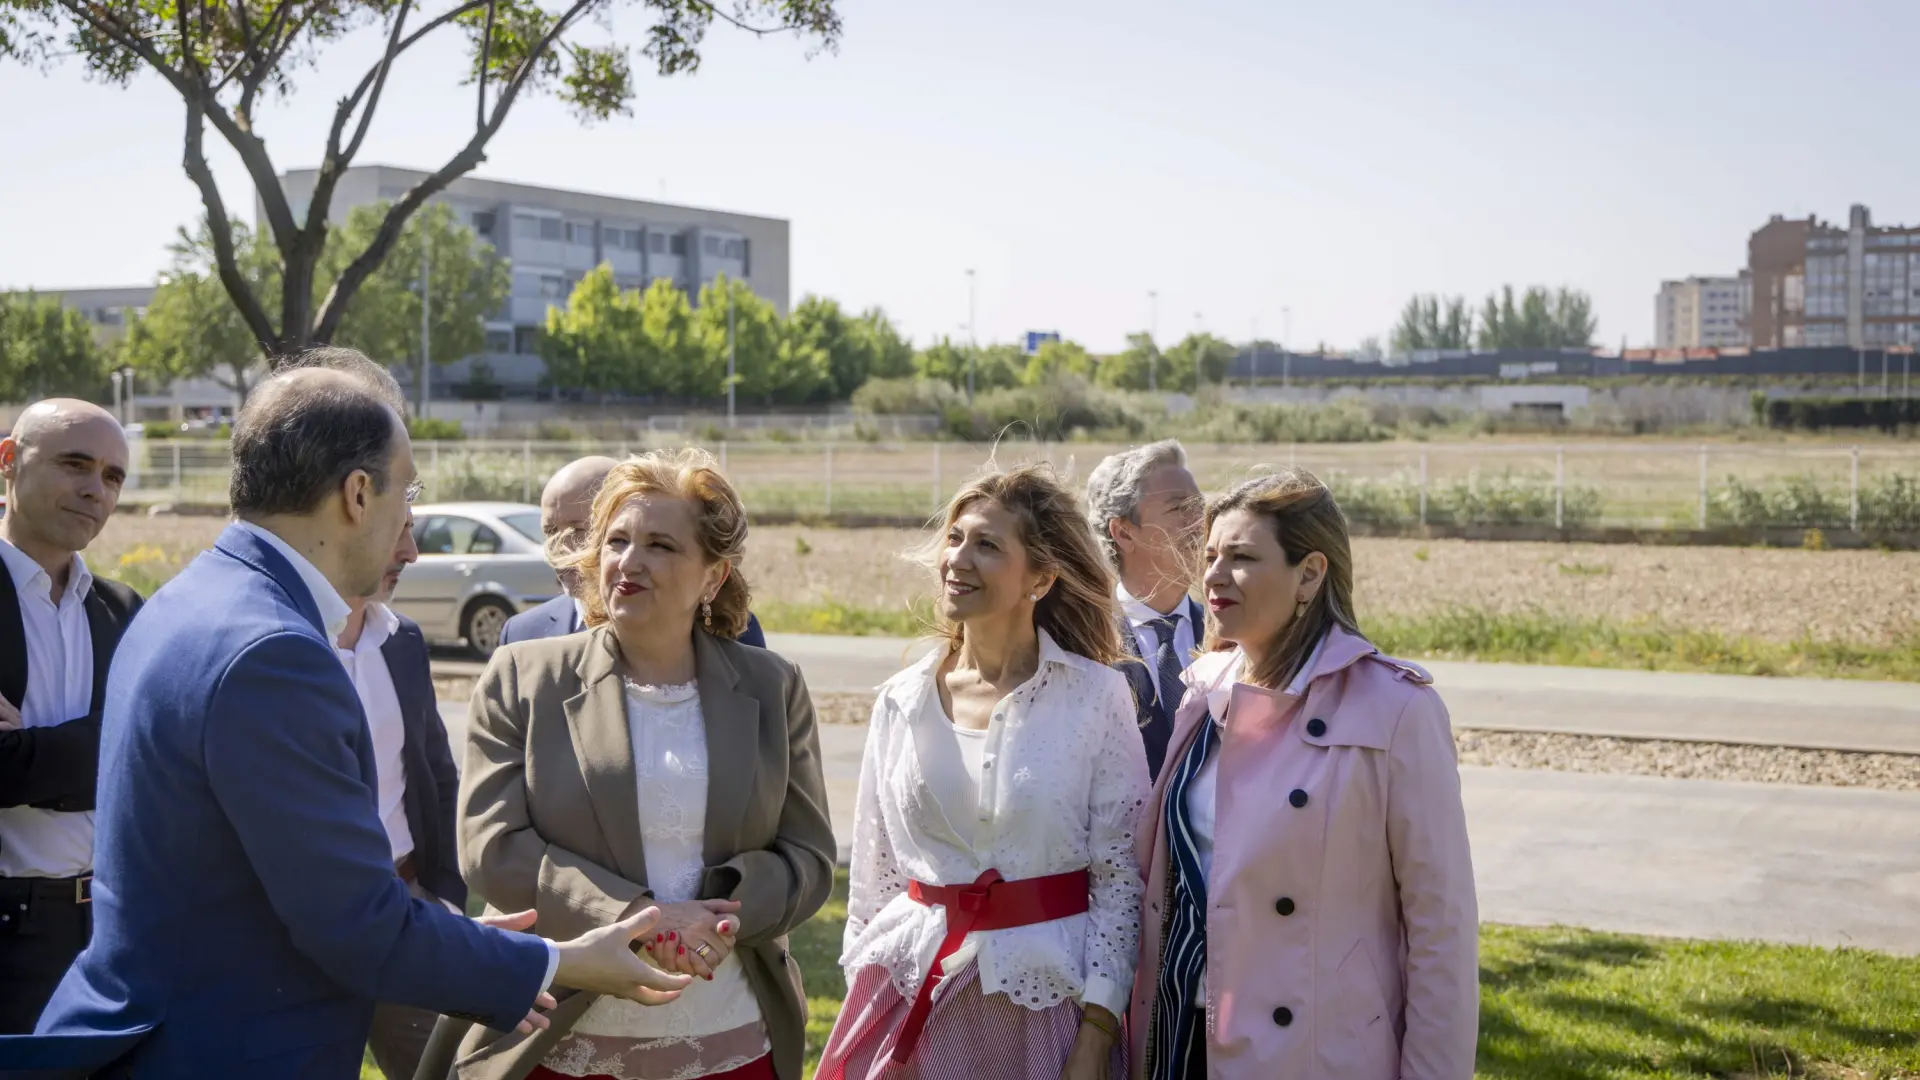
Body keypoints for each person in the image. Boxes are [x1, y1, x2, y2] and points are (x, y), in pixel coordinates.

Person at [8, 363, 690, 1079]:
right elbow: (358, 926)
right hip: (224, 1049)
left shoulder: (192, 596)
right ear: (358, 495)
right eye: (409, 493)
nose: (410, 529)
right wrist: (565, 960)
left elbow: (276, 880)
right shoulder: (277, 653)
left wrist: (467, 943)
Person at [417, 448, 835, 1080]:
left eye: (661, 545)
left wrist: (721, 909)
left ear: (713, 576)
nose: (629, 562)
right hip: (558, 1038)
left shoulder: (773, 685)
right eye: (616, 540)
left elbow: (807, 855)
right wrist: (641, 917)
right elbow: (492, 848)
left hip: (730, 1035)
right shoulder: (524, 677)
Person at [1126, 470, 1478, 1080]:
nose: (1211, 576)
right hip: (1181, 1034)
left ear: (1309, 574)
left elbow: (1440, 931)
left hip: (1314, 1053)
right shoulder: (1202, 691)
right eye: (1209, 555)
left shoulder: (1396, 710)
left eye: (1240, 558)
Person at [817, 464, 1150, 1080]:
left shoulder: (1097, 699)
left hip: (1048, 1011)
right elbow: (874, 880)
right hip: (912, 1001)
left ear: (1042, 577)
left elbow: (1121, 879)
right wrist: (864, 989)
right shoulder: (901, 699)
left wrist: (1098, 1031)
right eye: (954, 538)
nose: (957, 559)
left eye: (987, 545)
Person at [0, 400, 141, 1034]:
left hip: (107, 929)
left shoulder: (124, 610)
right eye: (75, 464)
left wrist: (29, 752)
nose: (95, 488)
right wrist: (105, 749)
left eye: (113, 475)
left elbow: (155, 763)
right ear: (8, 460)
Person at [334, 513, 469, 1080]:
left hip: (406, 908)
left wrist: (444, 896)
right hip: (301, 926)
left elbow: (436, 773)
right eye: (397, 532)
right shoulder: (278, 643)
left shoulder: (403, 640)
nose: (411, 553)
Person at [503, 455, 767, 649]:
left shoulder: (736, 639)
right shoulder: (521, 638)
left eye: (579, 531)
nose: (563, 549)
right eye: (551, 532)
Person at [1083, 440, 1204, 780]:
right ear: (1123, 532)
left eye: (1200, 506)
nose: (1201, 522)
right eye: (1180, 508)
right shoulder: (1084, 646)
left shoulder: (1235, 637)